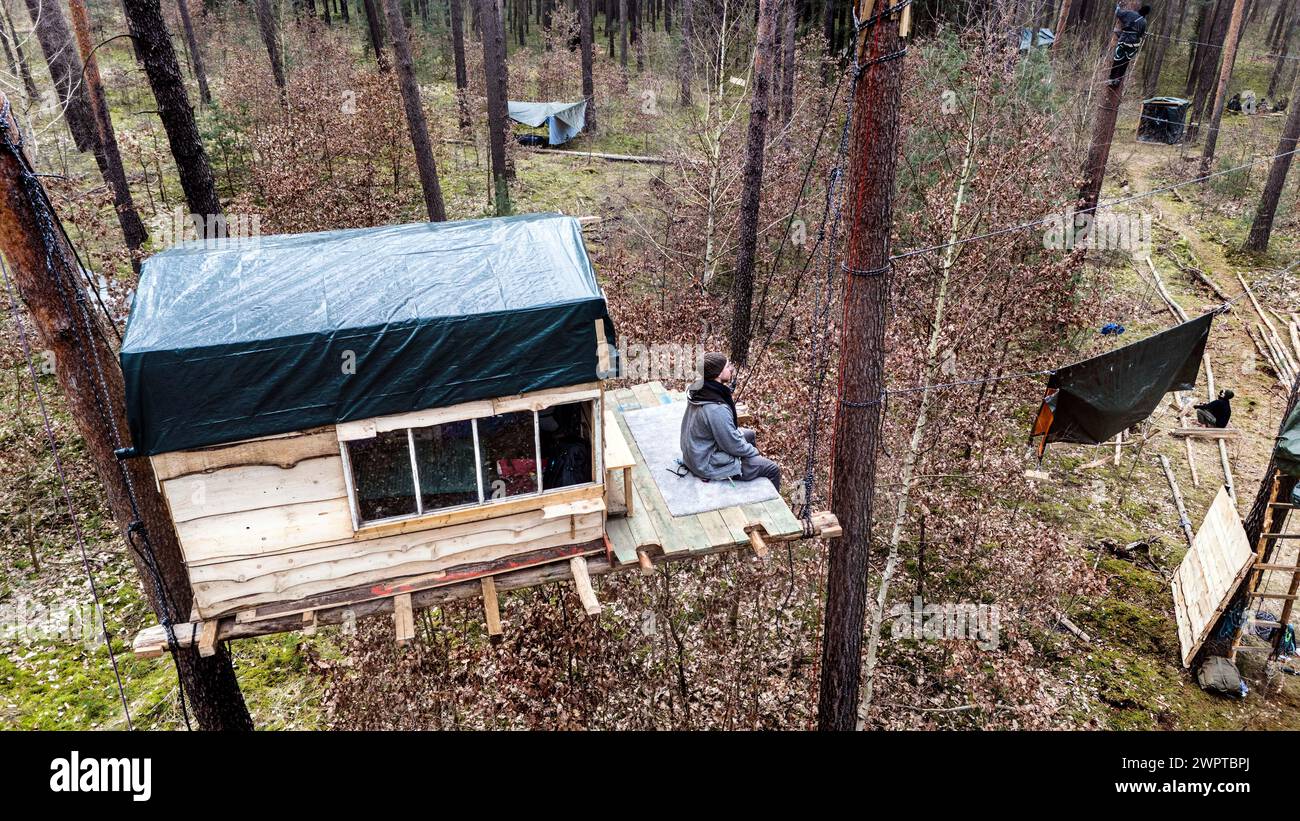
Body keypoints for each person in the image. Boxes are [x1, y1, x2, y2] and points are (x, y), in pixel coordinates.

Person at [679, 352, 781, 490]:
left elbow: (728, 435)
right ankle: (771, 503)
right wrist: (753, 452)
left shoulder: (701, 391)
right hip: (706, 463)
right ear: (718, 374)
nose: (731, 369)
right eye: (727, 366)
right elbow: (732, 445)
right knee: (772, 468)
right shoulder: (716, 409)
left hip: (696, 452)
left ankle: (750, 466)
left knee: (749, 434)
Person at [1108, 4, 1150, 86]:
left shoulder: (1130, 13)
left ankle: (1111, 78)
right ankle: (1118, 81)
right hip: (1133, 45)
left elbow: (1118, 13)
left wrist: (1117, 7)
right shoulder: (1144, 22)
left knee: (1117, 59)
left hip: (1123, 41)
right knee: (1125, 62)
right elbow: (1140, 35)